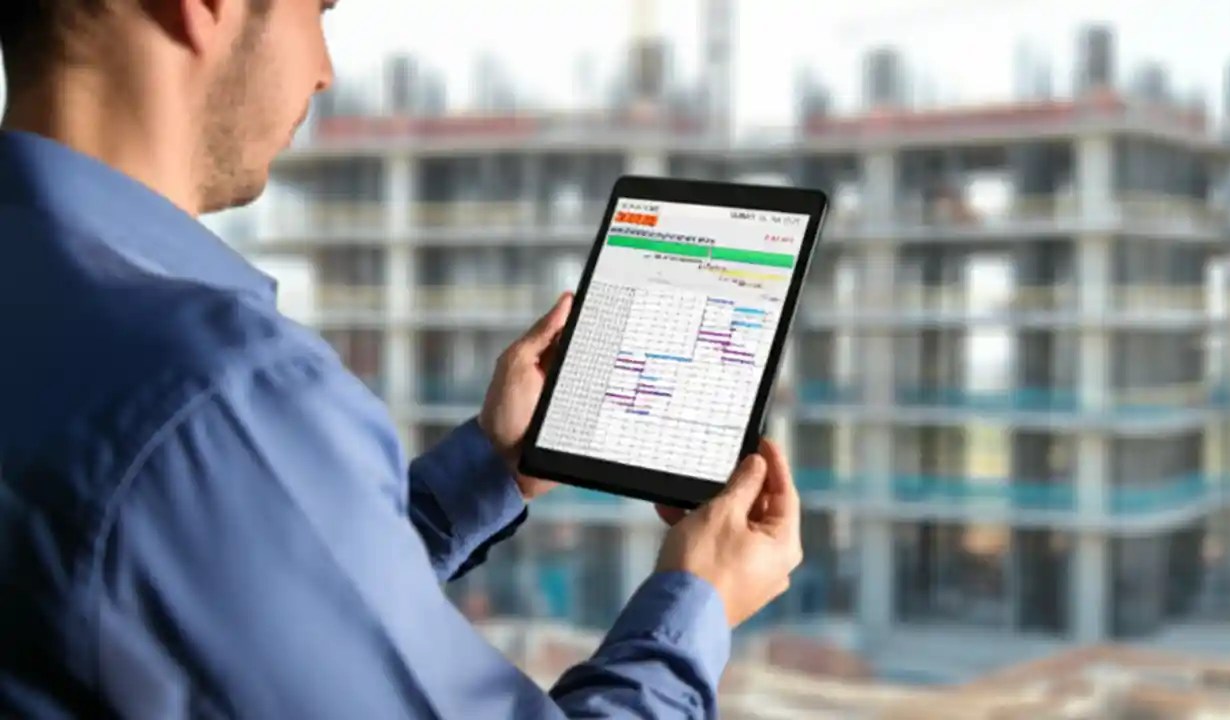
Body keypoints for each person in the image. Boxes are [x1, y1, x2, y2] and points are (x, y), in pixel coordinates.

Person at [0, 0, 805, 717]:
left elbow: (250, 615)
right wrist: (696, 600)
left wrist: (494, 466)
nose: (323, 70)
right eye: (318, 10)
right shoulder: (220, 392)